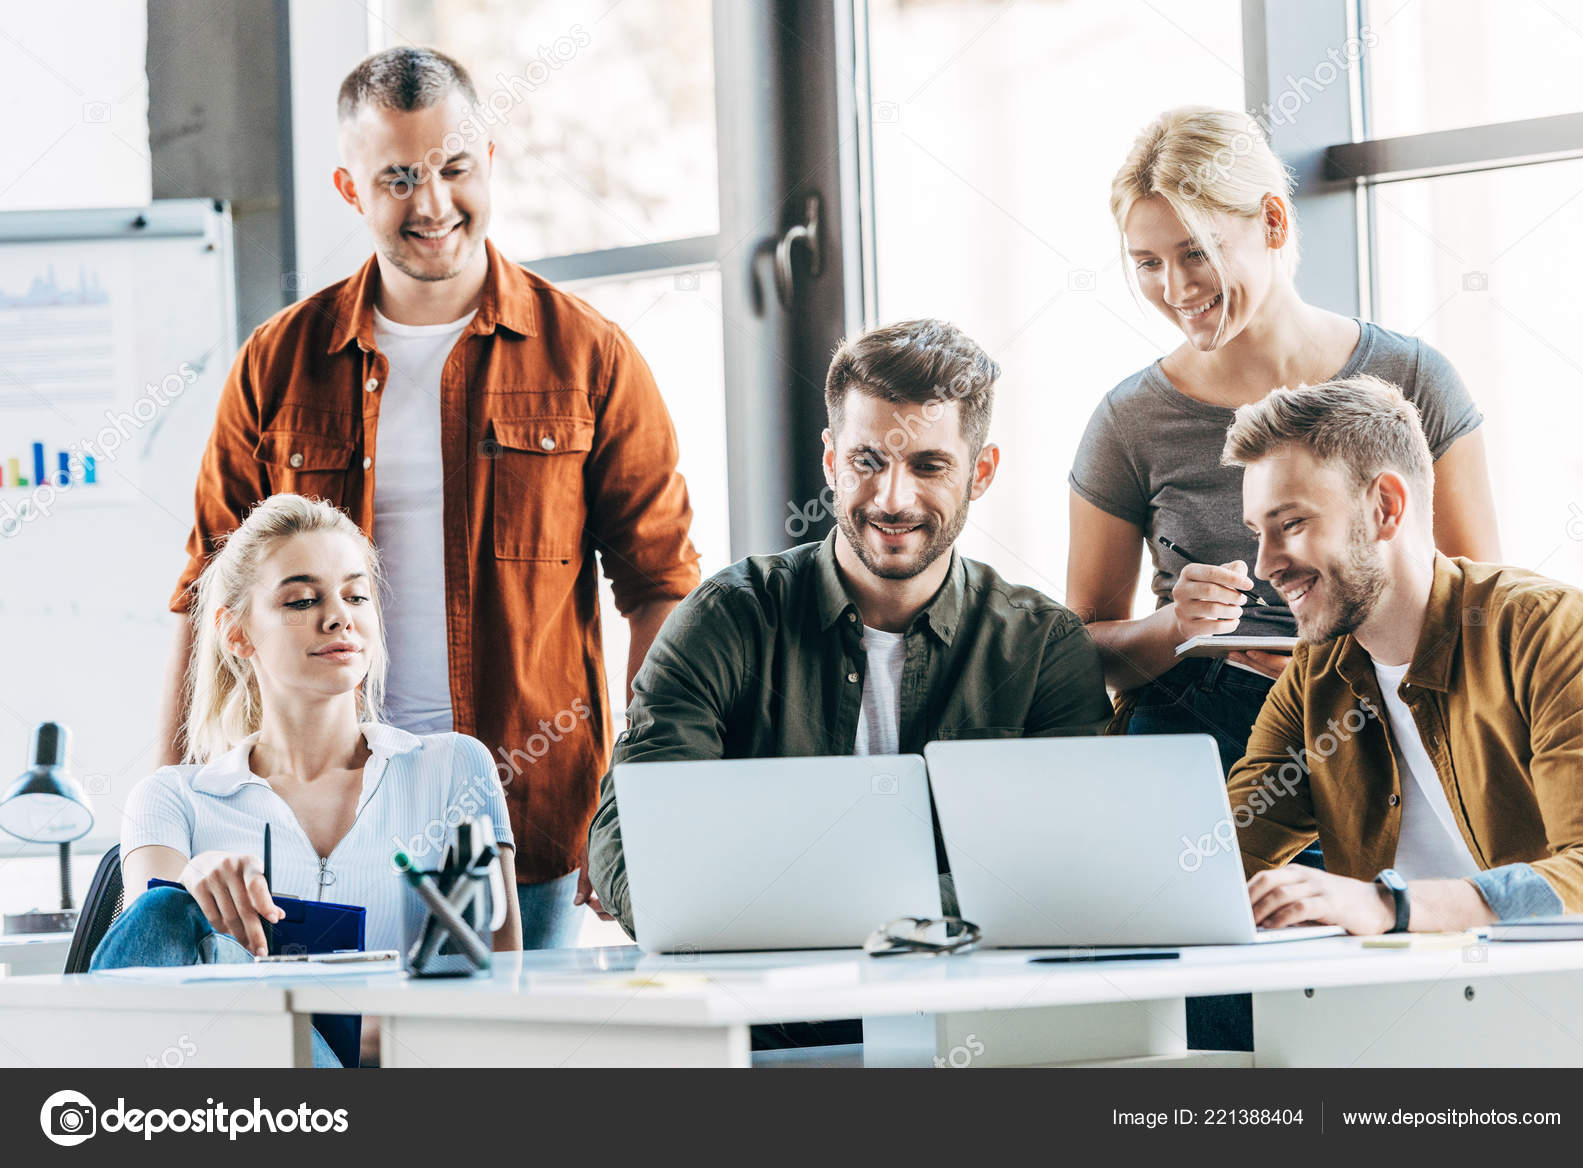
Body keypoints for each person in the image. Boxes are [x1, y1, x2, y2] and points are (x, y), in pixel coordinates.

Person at [156, 47, 699, 949]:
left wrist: (638, 804)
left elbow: (662, 587)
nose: (433, 204)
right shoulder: (277, 363)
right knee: (314, 1070)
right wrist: (169, 807)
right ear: (349, 186)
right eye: (398, 177)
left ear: (488, 160)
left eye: (452, 168)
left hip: (527, 820)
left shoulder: (590, 357)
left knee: (495, 1066)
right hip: (301, 818)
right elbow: (204, 589)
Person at [586, 319, 1113, 943]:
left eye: (929, 465)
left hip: (964, 1015)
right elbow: (635, 839)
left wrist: (787, 897)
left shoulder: (1042, 647)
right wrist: (911, 902)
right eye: (868, 461)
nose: (893, 499)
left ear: (982, 471)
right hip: (764, 1015)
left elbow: (1068, 865)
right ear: (832, 459)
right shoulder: (724, 620)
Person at [1067, 106, 1500, 777]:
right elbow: (1082, 652)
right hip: (1196, 730)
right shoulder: (1130, 420)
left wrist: (1337, 659)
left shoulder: (1414, 379)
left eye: (1197, 253)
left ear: (1272, 221)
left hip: (1382, 714)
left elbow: (1480, 613)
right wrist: (1176, 628)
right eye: (1147, 263)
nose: (1176, 289)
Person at [94, 494, 520, 1067]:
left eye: (356, 595)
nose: (339, 616)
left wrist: (342, 1039)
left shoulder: (454, 768)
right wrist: (190, 884)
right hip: (233, 1095)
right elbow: (146, 978)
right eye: (301, 599)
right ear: (238, 634)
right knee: (165, 909)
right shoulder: (172, 798)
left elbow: (504, 989)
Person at [1224, 375, 1583, 934]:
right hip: (1404, 1002)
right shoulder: (1315, 673)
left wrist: (1387, 905)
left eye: (1292, 524)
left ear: (1386, 507)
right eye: (1259, 532)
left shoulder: (1547, 630)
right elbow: (1224, 854)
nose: (1265, 564)